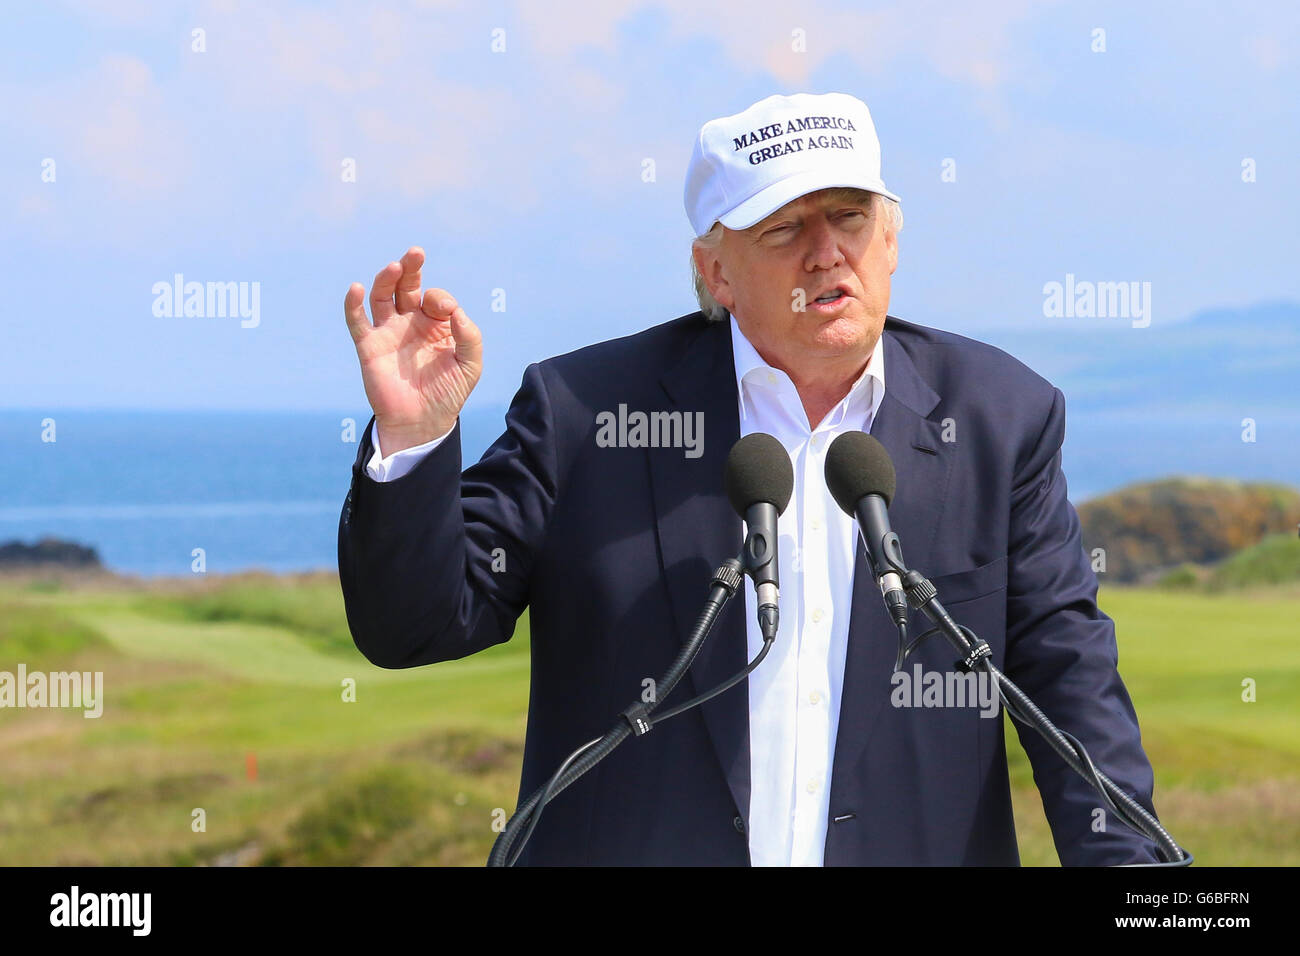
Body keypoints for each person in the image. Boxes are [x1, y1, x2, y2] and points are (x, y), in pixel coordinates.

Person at [338, 92, 1167, 865]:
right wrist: (415, 439)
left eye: (850, 217)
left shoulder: (1000, 417)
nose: (826, 251)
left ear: (891, 241)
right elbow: (413, 627)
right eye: (783, 228)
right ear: (716, 273)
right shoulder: (585, 414)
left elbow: (1070, 687)